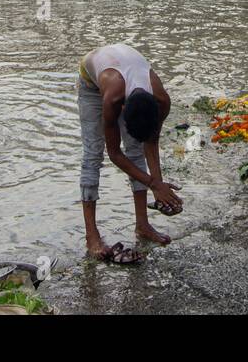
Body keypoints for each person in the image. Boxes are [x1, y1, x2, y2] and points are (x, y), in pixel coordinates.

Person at [77, 43, 182, 265]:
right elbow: (114, 153)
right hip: (92, 79)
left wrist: (160, 189)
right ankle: (92, 236)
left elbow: (151, 142)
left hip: (122, 66)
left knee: (136, 150)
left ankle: (142, 225)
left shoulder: (161, 100)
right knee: (93, 155)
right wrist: (154, 184)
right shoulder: (112, 100)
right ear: (122, 110)